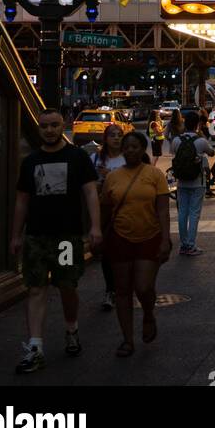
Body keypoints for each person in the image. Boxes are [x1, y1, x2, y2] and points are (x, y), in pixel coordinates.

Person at [11, 108, 101, 374]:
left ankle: (71, 328)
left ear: (63, 126)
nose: (48, 130)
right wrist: (16, 234)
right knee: (36, 287)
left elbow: (90, 194)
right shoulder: (30, 162)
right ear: (39, 129)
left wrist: (95, 227)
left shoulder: (77, 157)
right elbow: (22, 200)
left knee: (66, 285)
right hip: (37, 235)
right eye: (44, 126)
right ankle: (36, 347)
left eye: (53, 125)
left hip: (66, 236)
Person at [99, 130, 171, 356]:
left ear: (143, 150)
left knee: (143, 287)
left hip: (150, 237)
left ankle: (148, 313)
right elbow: (105, 209)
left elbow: (163, 210)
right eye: (127, 147)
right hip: (119, 238)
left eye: (135, 147)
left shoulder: (155, 175)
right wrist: (97, 235)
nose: (130, 150)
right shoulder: (113, 177)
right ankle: (127, 339)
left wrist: (166, 239)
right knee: (122, 291)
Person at [89, 122, 126, 310]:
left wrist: (110, 174)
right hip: (104, 211)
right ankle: (110, 289)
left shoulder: (129, 159)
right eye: (112, 134)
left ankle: (123, 287)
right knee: (107, 253)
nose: (116, 138)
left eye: (119, 134)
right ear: (105, 138)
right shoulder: (95, 159)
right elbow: (88, 186)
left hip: (126, 211)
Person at [170, 110, 214, 255]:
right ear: (197, 125)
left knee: (182, 212)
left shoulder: (177, 140)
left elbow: (173, 154)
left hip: (181, 182)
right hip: (197, 182)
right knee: (194, 214)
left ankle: (183, 245)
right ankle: (191, 244)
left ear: (184, 123)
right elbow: (211, 152)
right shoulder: (201, 141)